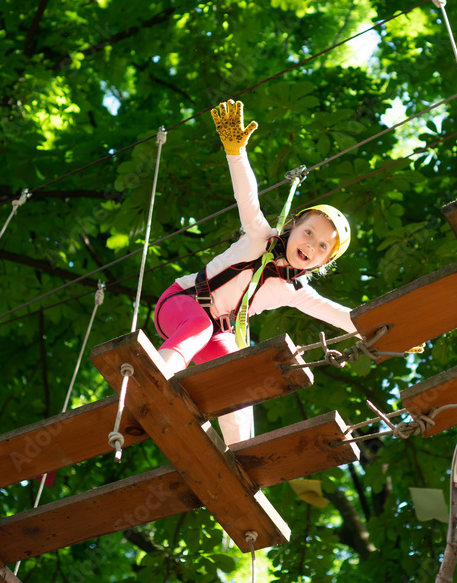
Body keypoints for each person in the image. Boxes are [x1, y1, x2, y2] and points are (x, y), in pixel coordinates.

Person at [151, 99, 357, 446]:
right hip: (180, 303)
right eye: (309, 233)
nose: (311, 245)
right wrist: (236, 151)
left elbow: (340, 315)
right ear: (291, 227)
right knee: (201, 325)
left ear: (323, 263)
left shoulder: (295, 290)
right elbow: (247, 196)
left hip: (213, 332)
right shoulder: (260, 236)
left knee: (239, 374)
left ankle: (239, 451)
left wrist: (387, 327)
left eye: (322, 247)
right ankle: (155, 375)